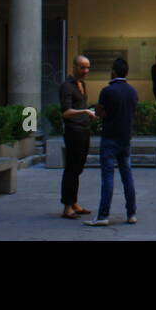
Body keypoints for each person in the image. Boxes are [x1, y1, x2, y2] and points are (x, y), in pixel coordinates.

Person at [87, 57, 138, 226]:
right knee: (127, 176)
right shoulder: (132, 91)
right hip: (125, 138)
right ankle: (131, 213)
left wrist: (103, 113)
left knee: (108, 177)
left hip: (109, 137)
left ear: (113, 72)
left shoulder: (107, 91)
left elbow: (100, 112)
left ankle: (103, 216)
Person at [58, 55, 96, 219]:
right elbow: (66, 112)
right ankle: (67, 207)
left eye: (87, 67)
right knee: (71, 168)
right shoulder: (67, 86)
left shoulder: (82, 84)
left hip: (84, 130)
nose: (85, 71)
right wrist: (85, 111)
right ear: (73, 67)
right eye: (82, 67)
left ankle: (74, 203)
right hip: (73, 131)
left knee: (78, 168)